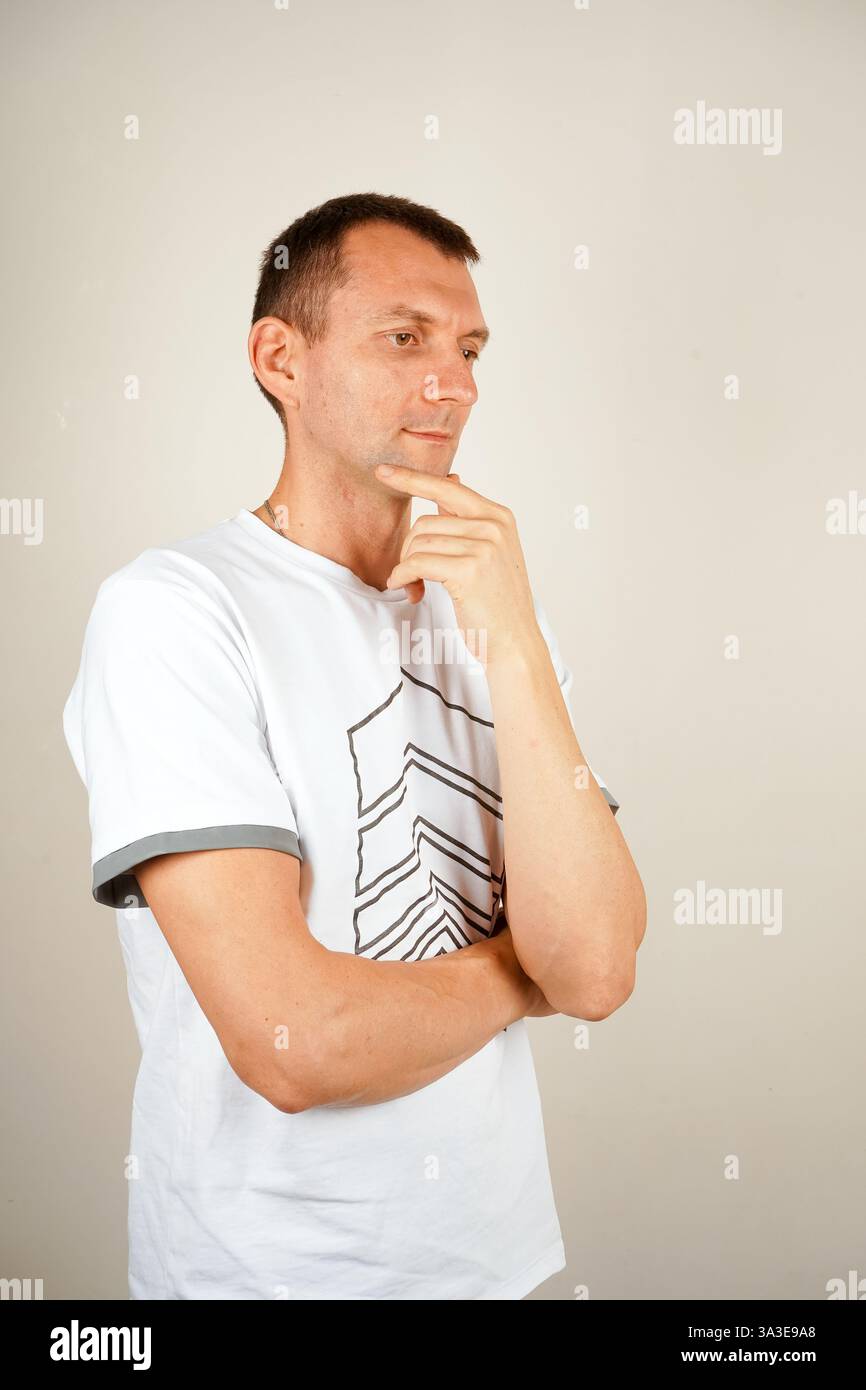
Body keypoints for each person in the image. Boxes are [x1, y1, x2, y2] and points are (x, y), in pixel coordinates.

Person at [62, 192, 646, 1301]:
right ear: (280, 356)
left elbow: (602, 966)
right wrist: (524, 969)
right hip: (264, 1282)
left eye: (469, 347)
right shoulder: (175, 612)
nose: (457, 381)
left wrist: (514, 644)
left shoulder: (491, 608)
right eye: (405, 337)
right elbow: (296, 1043)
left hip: (495, 1264)